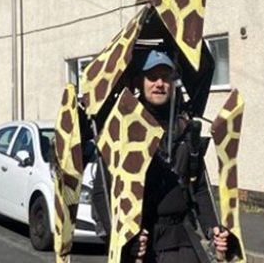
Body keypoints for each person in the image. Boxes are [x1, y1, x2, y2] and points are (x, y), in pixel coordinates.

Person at [92, 50, 232, 263]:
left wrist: (213, 230)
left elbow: (200, 186)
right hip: (143, 242)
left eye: (165, 77)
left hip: (183, 237)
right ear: (140, 82)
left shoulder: (185, 128)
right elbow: (102, 192)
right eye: (152, 77)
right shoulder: (124, 128)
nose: (159, 83)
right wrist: (124, 239)